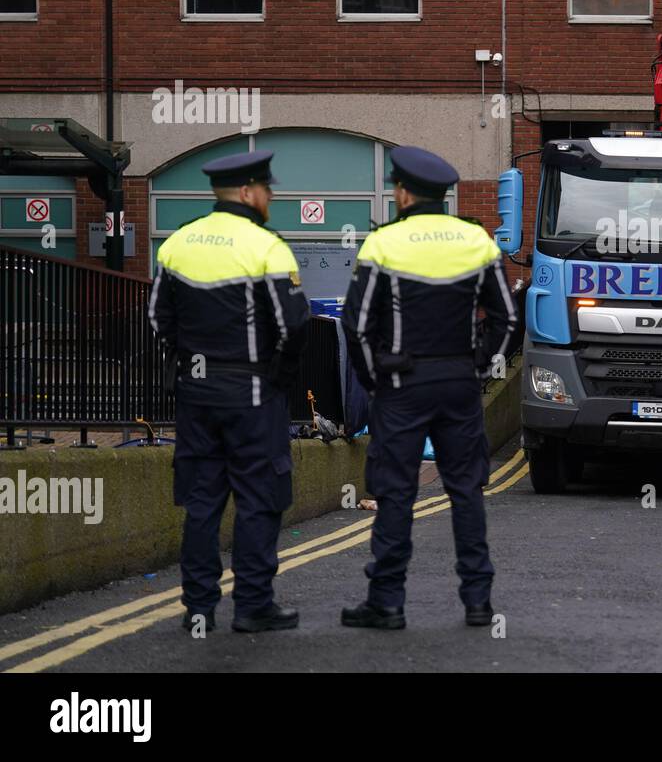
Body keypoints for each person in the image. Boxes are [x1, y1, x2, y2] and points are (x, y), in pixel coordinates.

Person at [340, 146, 517, 630]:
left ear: (402, 191)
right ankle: (478, 602)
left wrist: (375, 381)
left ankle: (387, 603)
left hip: (400, 384)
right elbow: (506, 318)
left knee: (396, 493)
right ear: (443, 195)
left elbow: (355, 327)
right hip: (459, 382)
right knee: (466, 490)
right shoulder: (476, 242)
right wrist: (479, 368)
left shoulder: (382, 244)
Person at [149, 150, 310, 634]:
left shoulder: (177, 243)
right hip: (253, 392)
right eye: (267, 189)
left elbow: (159, 320)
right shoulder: (267, 246)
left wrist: (191, 364)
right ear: (246, 192)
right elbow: (295, 327)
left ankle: (198, 607)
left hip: (196, 394)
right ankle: (253, 605)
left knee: (202, 501)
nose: (271, 197)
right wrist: (276, 380)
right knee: (259, 497)